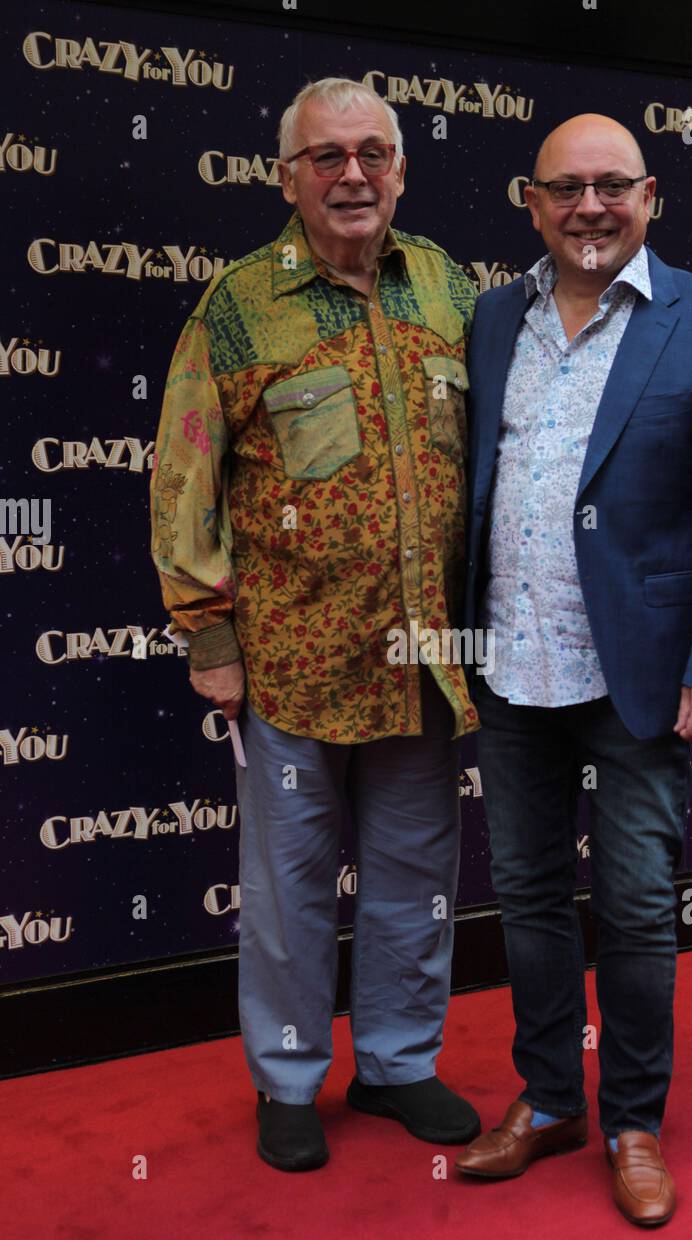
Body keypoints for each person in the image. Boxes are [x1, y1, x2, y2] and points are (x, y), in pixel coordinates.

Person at [149, 77, 481, 1171]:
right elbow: (186, 471)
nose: (353, 174)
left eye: (373, 152)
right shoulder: (240, 302)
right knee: (290, 894)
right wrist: (209, 633)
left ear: (402, 167)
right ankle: (288, 1077)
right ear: (287, 175)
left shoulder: (446, 283)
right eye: (327, 156)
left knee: (414, 876)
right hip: (291, 658)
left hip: (424, 658)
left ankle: (396, 1062)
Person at [455, 114, 692, 1224]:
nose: (589, 208)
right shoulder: (496, 316)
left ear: (651, 196)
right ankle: (550, 1102)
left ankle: (635, 1120)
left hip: (638, 675)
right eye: (565, 190)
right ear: (531, 202)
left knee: (637, 907)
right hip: (511, 666)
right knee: (532, 899)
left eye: (611, 187)